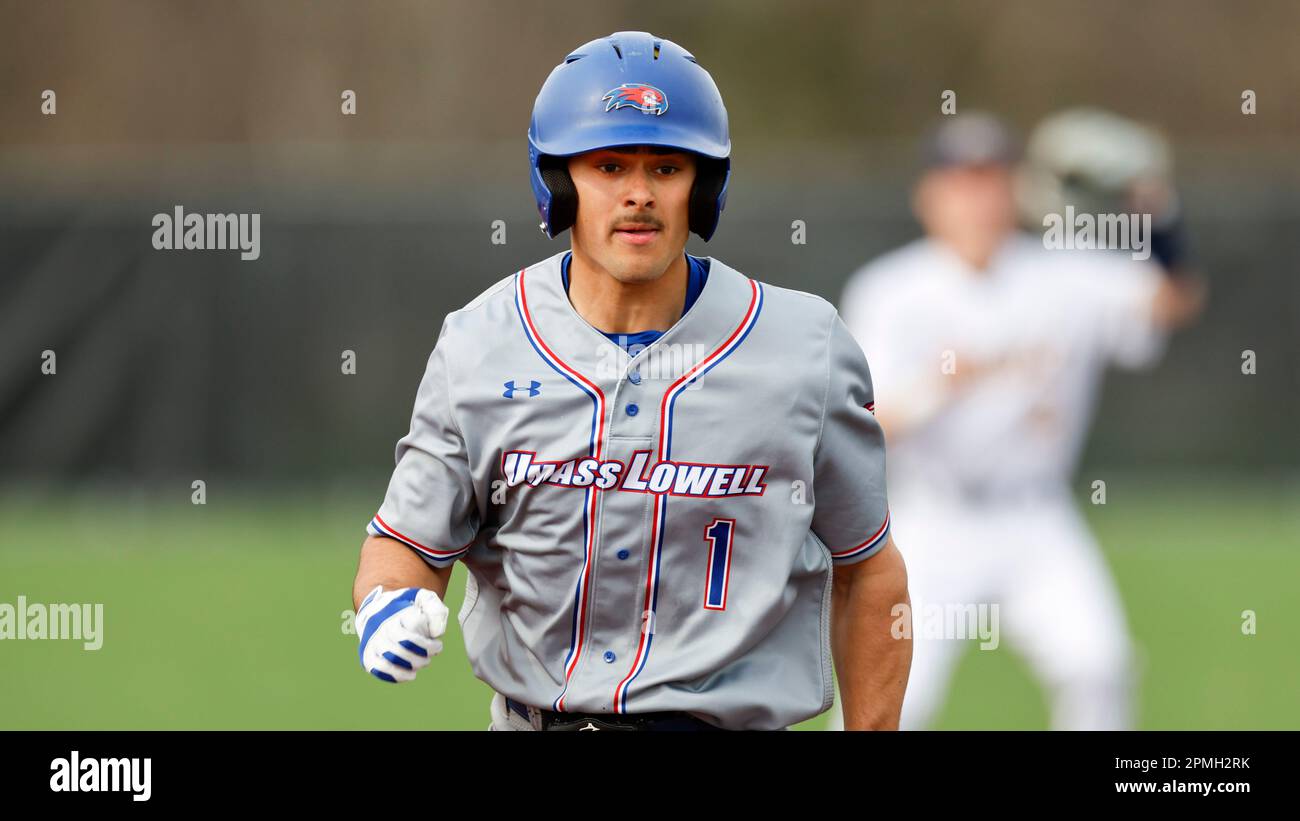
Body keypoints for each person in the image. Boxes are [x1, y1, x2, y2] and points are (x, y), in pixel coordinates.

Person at [349, 31, 910, 731]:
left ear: (704, 186)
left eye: (667, 168)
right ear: (558, 182)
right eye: (610, 166)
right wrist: (387, 599)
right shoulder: (479, 344)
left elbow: (868, 570)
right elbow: (407, 541)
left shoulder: (805, 349)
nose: (639, 194)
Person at [830, 111, 1205, 731]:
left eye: (991, 180)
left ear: (1017, 192)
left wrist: (1156, 208)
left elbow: (1174, 301)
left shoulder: (1066, 273)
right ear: (929, 197)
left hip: (1037, 518)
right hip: (934, 520)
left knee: (1099, 667)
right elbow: (864, 423)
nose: (978, 199)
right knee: (886, 701)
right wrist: (940, 389)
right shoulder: (892, 290)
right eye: (961, 182)